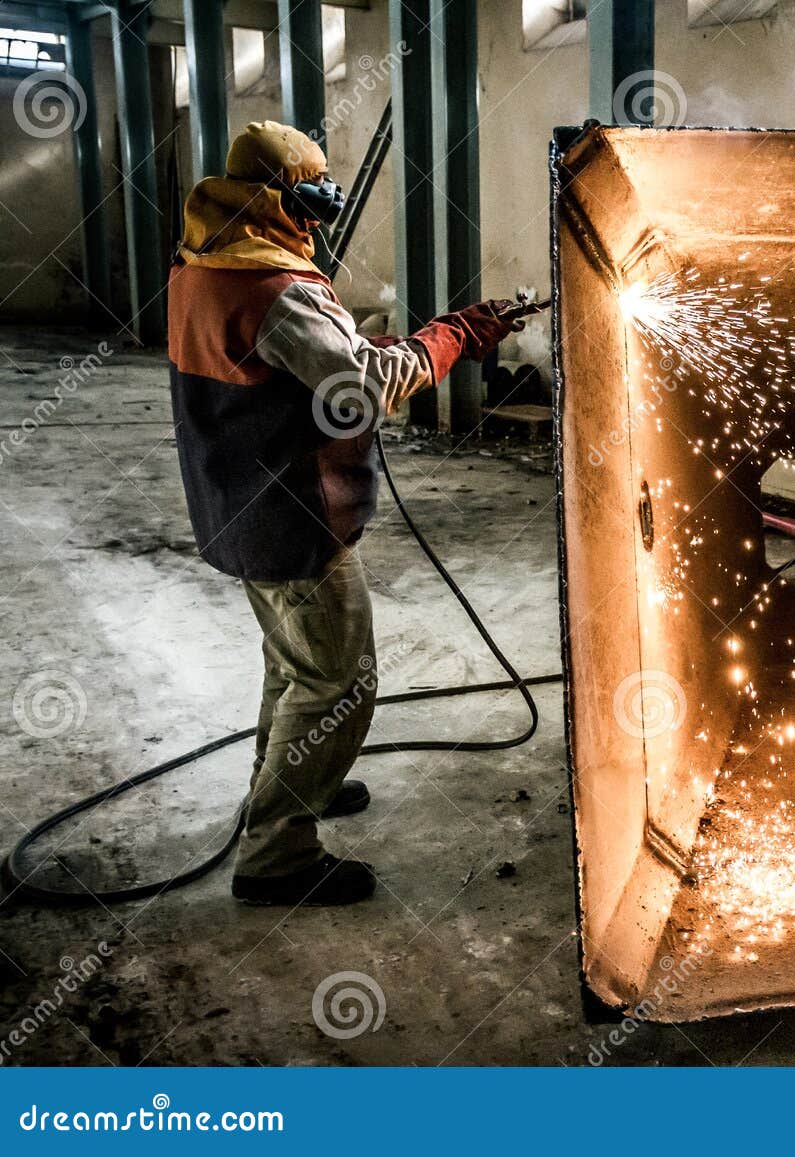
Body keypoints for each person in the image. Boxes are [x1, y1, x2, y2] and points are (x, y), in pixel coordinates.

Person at [167, 121, 524, 907]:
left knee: (294, 663)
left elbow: (308, 358)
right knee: (339, 683)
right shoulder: (277, 289)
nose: (321, 202)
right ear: (273, 197)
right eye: (310, 187)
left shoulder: (204, 266)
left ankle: (295, 785)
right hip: (291, 513)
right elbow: (359, 384)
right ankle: (277, 855)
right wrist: (456, 336)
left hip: (234, 501)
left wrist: (405, 338)